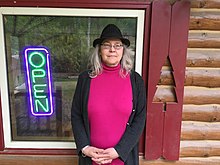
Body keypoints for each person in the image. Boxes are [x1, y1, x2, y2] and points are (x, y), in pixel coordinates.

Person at [71, 24, 146, 165]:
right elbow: (76, 115)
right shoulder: (85, 79)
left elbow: (140, 118)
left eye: (117, 45)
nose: (112, 50)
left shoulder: (135, 80)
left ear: (123, 51)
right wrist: (85, 148)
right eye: (107, 45)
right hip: (91, 159)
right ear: (99, 50)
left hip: (123, 158)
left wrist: (119, 150)